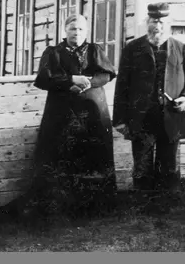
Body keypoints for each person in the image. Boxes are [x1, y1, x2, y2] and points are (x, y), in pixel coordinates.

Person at [15, 13, 118, 218]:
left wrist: (87, 83)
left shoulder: (94, 50)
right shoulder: (53, 53)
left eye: (80, 29)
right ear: (65, 30)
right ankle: (59, 207)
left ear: (86, 31)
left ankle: (95, 207)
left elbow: (106, 74)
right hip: (61, 113)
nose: (76, 33)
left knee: (92, 155)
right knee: (60, 155)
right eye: (73, 29)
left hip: (92, 114)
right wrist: (71, 80)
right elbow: (44, 78)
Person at [113, 2, 185, 211]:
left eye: (161, 22)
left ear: (168, 24)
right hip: (142, 119)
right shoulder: (132, 49)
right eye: (153, 21)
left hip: (171, 118)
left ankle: (166, 209)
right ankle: (144, 209)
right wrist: (120, 120)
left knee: (168, 165)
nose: (157, 26)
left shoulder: (181, 49)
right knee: (142, 166)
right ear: (147, 23)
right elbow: (122, 86)